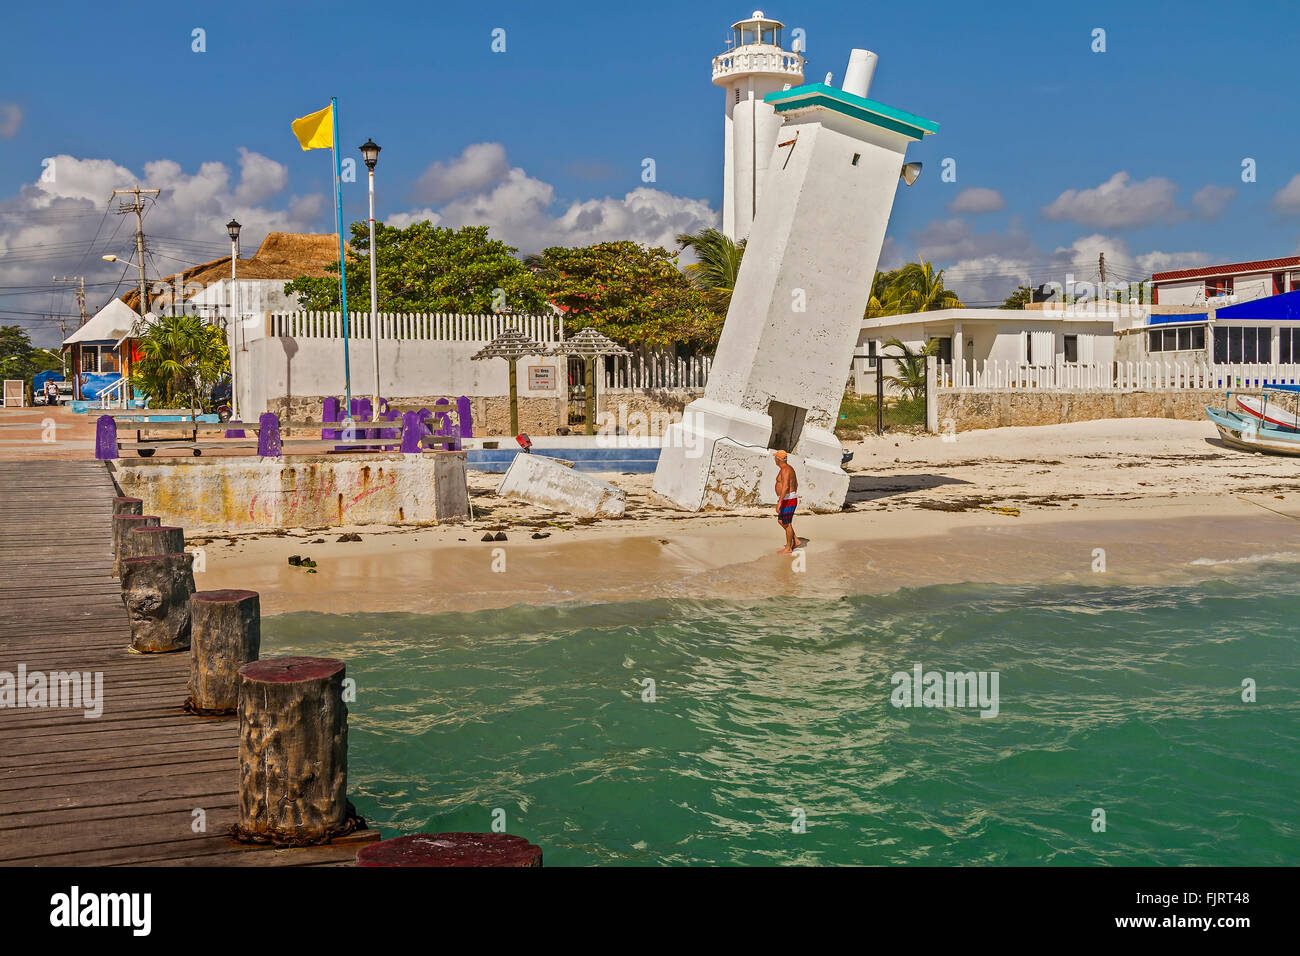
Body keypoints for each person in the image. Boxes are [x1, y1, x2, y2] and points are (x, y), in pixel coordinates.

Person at [773, 450, 800, 554]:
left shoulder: (785, 470)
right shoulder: (787, 468)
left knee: (787, 524)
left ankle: (788, 548)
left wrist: (780, 501)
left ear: (778, 459)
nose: (774, 459)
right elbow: (796, 484)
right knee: (781, 521)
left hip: (788, 500)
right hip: (788, 498)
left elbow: (785, 487)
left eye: (775, 457)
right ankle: (796, 540)